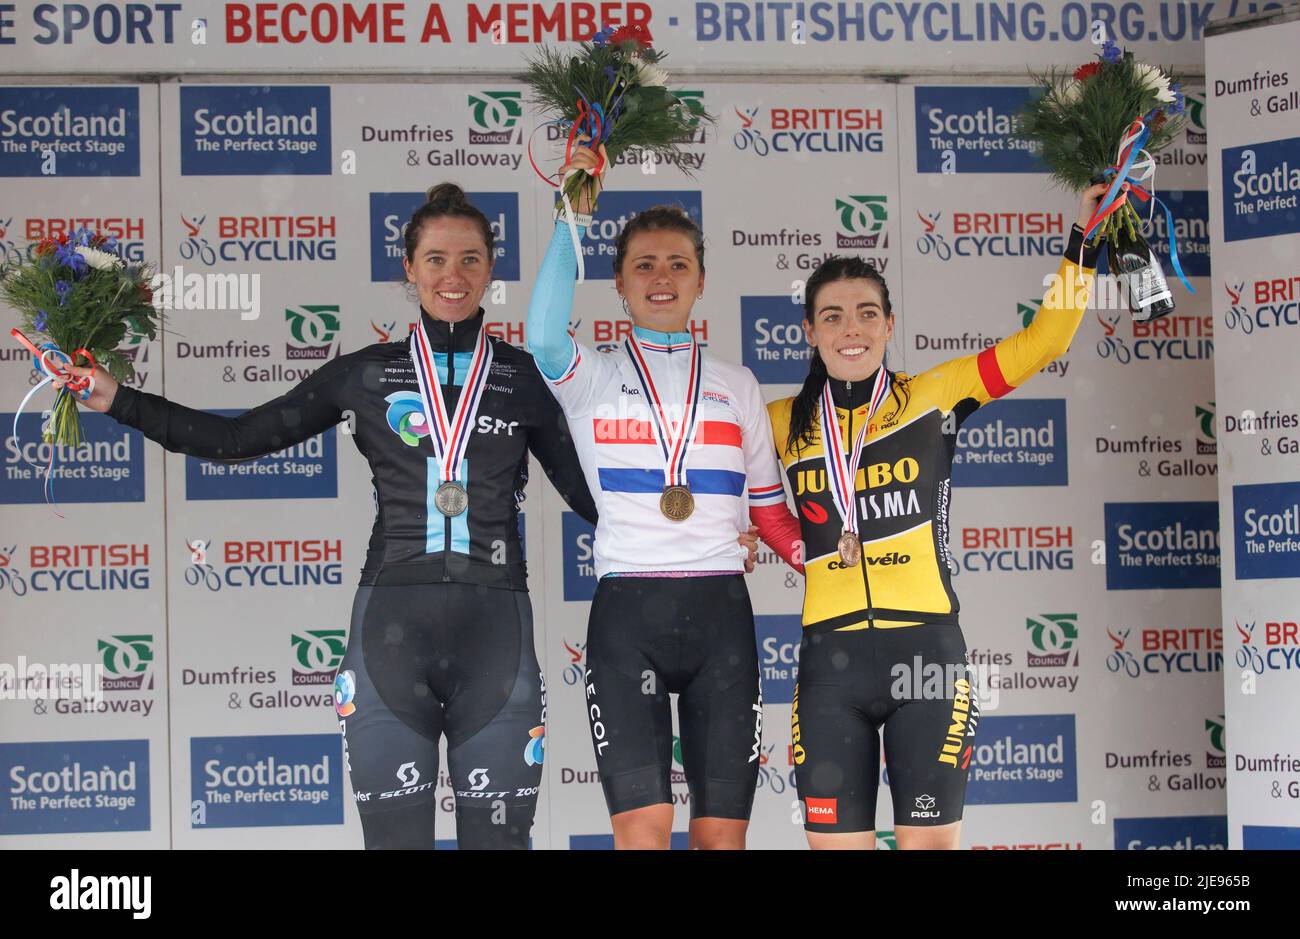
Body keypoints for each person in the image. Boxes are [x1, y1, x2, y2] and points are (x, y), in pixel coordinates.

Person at [61, 185, 606, 850]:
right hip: (388, 638)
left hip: (497, 637)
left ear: (491, 267)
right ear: (409, 269)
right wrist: (118, 398)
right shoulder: (364, 375)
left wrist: (710, 528)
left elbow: (594, 500)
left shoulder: (528, 379)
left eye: (468, 259)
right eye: (435, 259)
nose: (452, 276)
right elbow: (237, 441)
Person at [766, 183, 1109, 850]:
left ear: (889, 325)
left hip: (927, 658)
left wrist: (1084, 242)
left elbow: (1045, 339)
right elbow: (729, 485)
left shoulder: (936, 395)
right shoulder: (779, 422)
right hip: (829, 669)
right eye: (832, 316)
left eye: (867, 313)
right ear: (809, 331)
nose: (851, 329)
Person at [527, 145, 802, 849]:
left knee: (720, 841)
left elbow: (769, 511)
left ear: (702, 280)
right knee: (644, 837)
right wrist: (571, 214)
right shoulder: (590, 377)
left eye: (678, 263)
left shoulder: (737, 384)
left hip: (723, 622)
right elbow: (539, 333)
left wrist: (826, 561)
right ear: (617, 281)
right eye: (644, 264)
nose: (661, 277)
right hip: (628, 619)